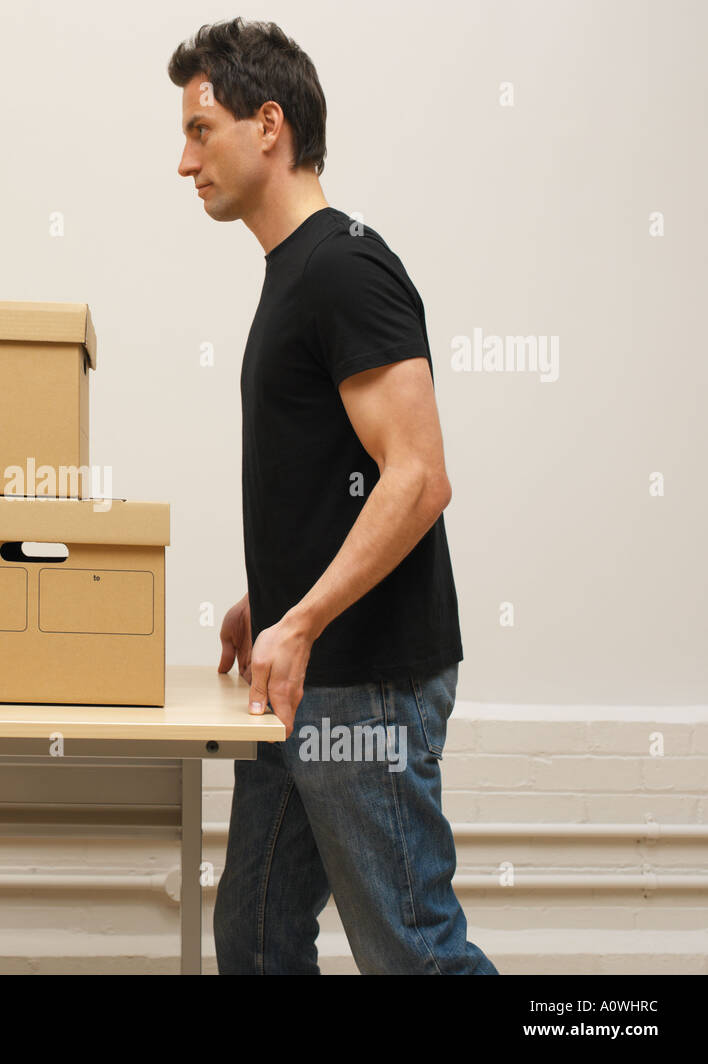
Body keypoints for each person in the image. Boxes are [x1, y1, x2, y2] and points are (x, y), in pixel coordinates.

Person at [168, 17, 497, 975]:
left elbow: (419, 477)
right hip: (302, 673)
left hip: (363, 678)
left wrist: (302, 617)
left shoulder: (344, 265)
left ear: (268, 124)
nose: (184, 161)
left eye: (201, 130)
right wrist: (267, 601)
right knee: (257, 934)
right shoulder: (293, 275)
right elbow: (331, 478)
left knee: (413, 952)